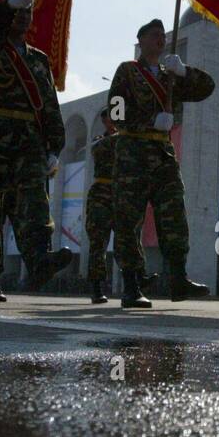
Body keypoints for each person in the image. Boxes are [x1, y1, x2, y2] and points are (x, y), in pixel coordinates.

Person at [0, 0, 71, 305]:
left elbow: (50, 104)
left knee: (35, 206)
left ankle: (40, 261)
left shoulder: (39, 59)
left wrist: (55, 146)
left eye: (27, 12)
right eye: (18, 11)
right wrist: (6, 3)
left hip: (29, 143)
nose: (23, 16)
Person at [107, 17, 214, 309]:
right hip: (133, 152)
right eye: (153, 35)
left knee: (174, 214)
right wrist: (148, 121)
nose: (159, 39)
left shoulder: (170, 76)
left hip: (163, 154)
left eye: (162, 35)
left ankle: (178, 278)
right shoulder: (127, 71)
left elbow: (206, 88)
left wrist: (184, 71)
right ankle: (132, 285)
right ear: (140, 40)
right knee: (129, 219)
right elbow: (114, 112)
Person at [85, 109, 119, 303]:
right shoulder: (100, 139)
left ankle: (135, 281)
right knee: (98, 243)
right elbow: (97, 149)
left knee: (126, 240)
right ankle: (97, 288)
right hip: (101, 192)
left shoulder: (126, 140)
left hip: (122, 194)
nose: (112, 123)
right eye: (109, 120)